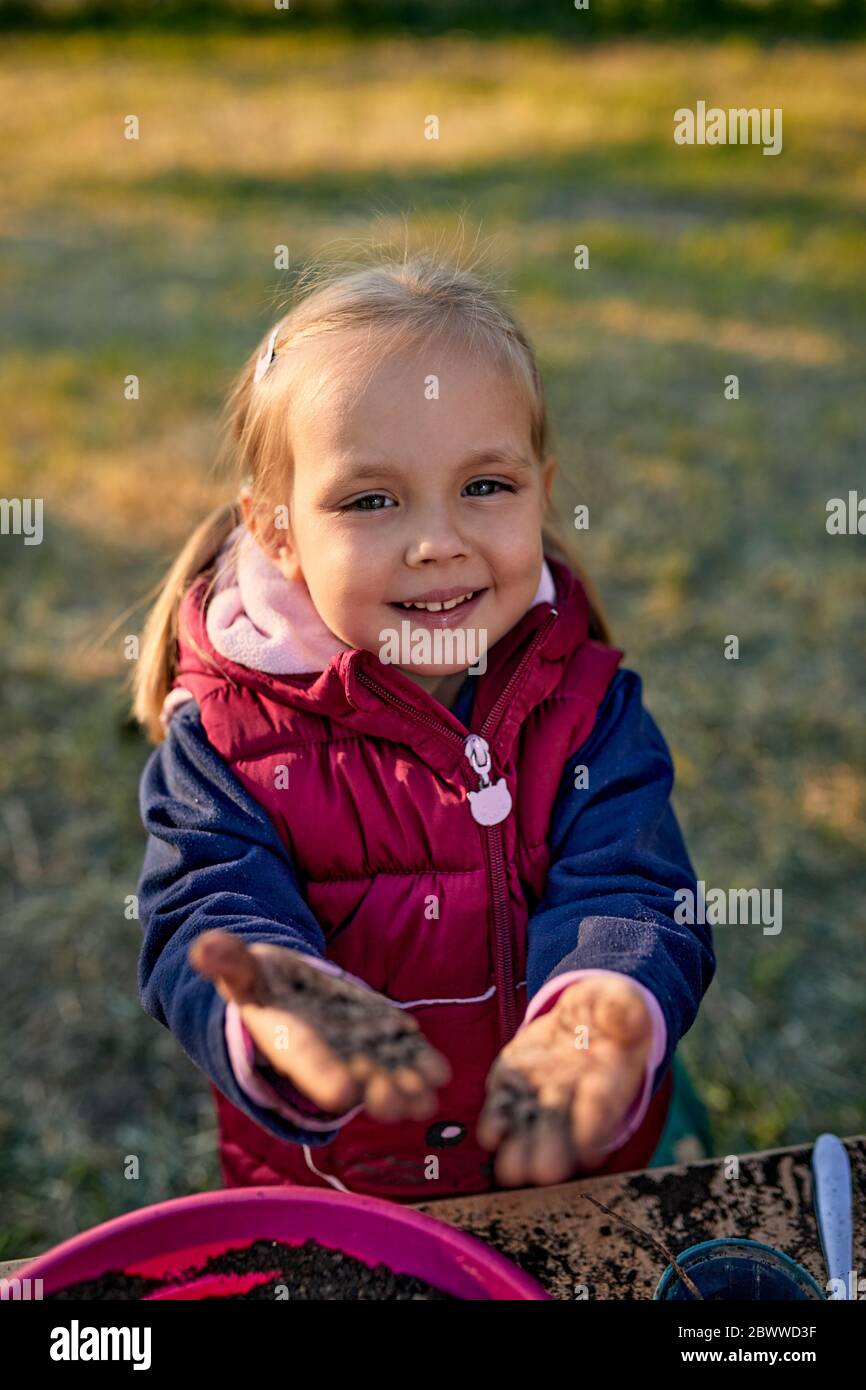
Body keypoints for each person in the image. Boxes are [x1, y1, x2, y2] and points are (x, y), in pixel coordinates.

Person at [131, 253, 715, 1202]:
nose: (438, 539)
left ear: (542, 486)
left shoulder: (589, 705)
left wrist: (607, 1002)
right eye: (371, 500)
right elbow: (203, 908)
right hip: (336, 1189)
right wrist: (276, 1003)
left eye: (486, 486)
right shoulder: (230, 736)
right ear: (276, 531)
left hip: (569, 1170)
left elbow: (635, 888)